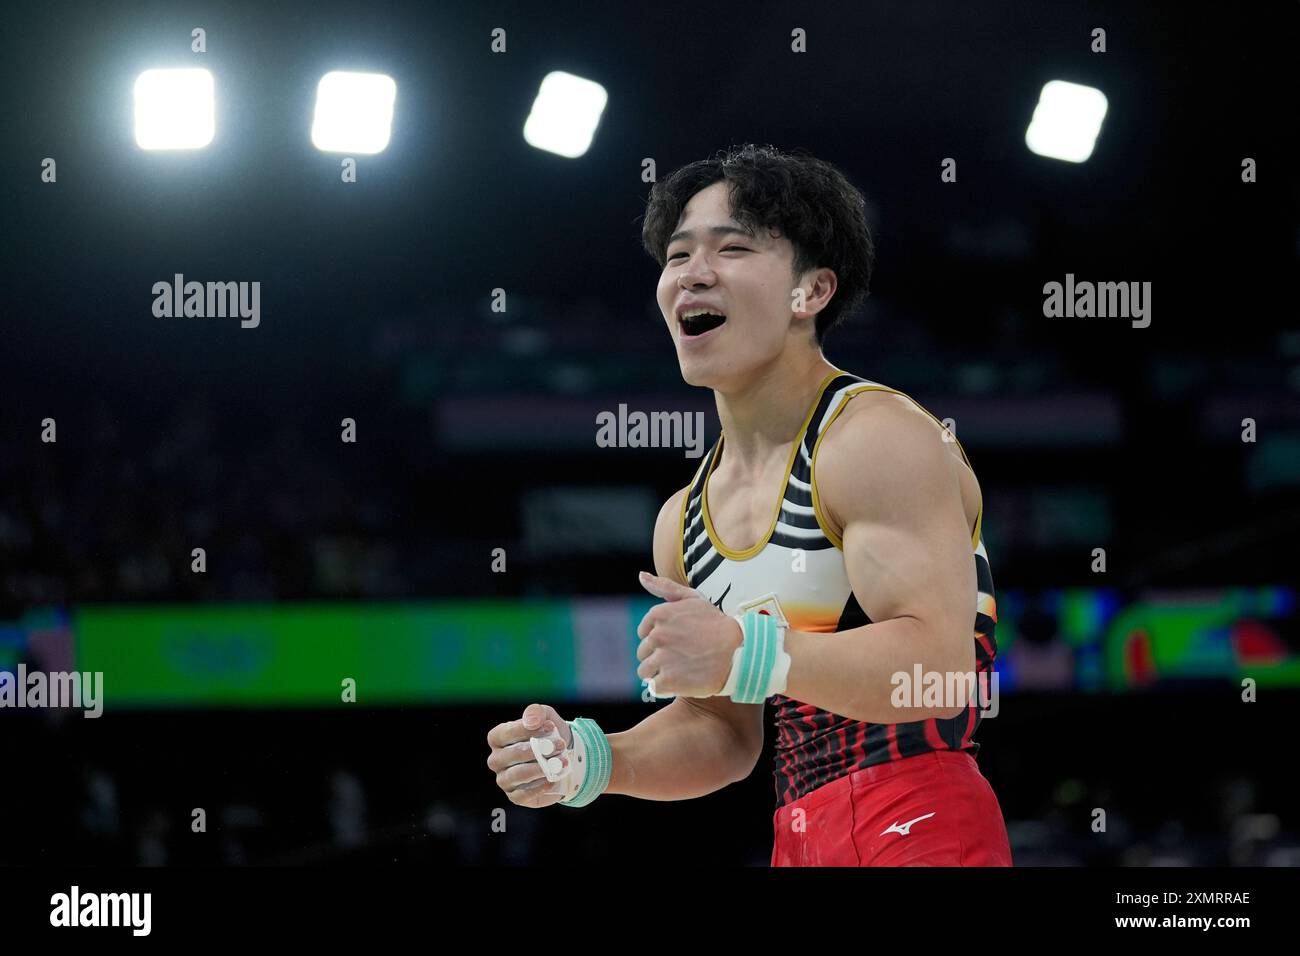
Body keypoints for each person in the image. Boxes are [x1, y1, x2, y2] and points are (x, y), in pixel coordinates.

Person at [487, 143, 1011, 866]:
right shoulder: (683, 520)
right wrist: (591, 759)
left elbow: (940, 670)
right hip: (796, 836)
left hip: (918, 819)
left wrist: (747, 650)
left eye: (731, 248)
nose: (693, 273)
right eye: (677, 257)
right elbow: (727, 736)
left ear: (811, 292)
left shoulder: (874, 438)